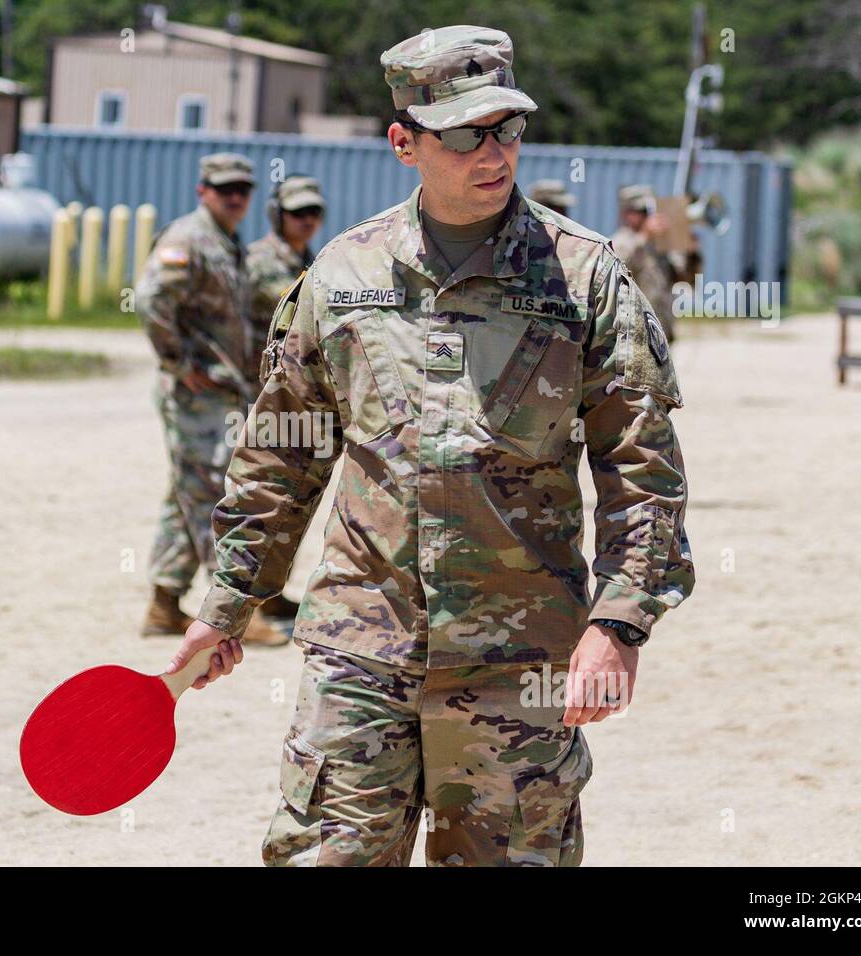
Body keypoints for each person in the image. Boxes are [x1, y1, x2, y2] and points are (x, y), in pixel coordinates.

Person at [168, 26, 695, 866]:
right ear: (404, 141)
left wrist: (621, 623)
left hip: (518, 668)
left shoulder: (585, 279)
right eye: (463, 134)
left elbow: (642, 469)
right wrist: (227, 605)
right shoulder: (342, 278)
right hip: (360, 654)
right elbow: (280, 458)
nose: (493, 153)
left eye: (508, 128)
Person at [133, 152, 288, 646]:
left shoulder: (223, 241)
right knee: (214, 500)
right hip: (198, 393)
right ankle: (229, 615)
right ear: (203, 191)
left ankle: (163, 604)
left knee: (189, 495)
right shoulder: (188, 239)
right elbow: (150, 299)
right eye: (225, 189)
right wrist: (179, 363)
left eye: (244, 189)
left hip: (221, 391)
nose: (237, 198)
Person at [245, 175, 326, 382]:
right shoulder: (255, 260)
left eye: (314, 212)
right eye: (298, 213)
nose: (308, 220)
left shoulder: (317, 263)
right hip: (257, 379)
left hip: (295, 377)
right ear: (277, 215)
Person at [611, 184, 691, 343]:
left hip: (660, 331)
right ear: (626, 213)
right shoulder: (620, 241)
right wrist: (644, 236)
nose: (647, 216)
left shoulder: (657, 245)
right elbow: (617, 271)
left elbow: (684, 279)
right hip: (633, 333)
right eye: (640, 212)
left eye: (648, 211)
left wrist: (690, 251)